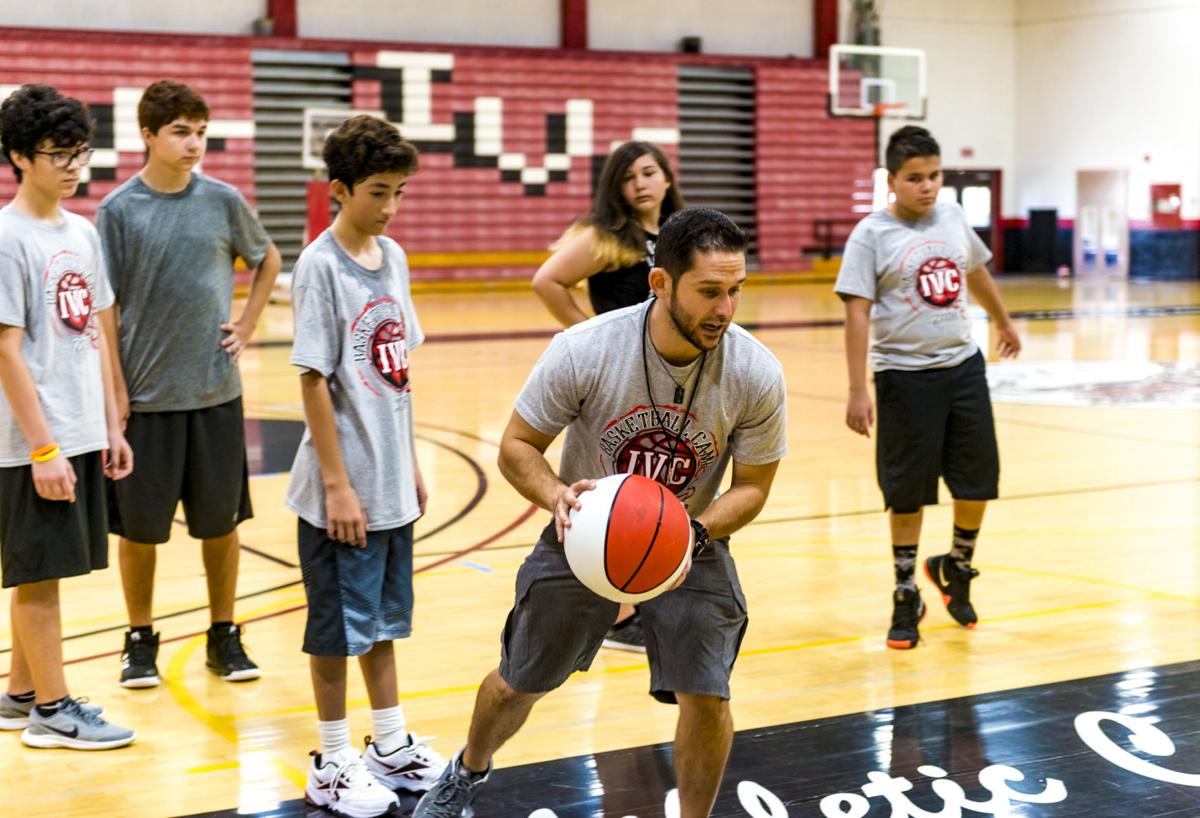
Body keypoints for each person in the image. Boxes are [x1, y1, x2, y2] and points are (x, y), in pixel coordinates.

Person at [414, 207, 787, 818]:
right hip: (583, 533)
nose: (725, 308)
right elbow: (516, 445)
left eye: (736, 290)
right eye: (710, 291)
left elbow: (752, 488)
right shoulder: (585, 349)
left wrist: (693, 531)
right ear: (660, 283)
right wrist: (555, 495)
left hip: (691, 540)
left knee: (707, 693)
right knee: (517, 683)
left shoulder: (756, 372)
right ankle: (467, 770)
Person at [96, 80, 282, 688]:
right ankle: (139, 636)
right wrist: (114, 391)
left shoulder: (223, 200)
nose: (194, 142)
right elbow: (104, 309)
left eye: (200, 131)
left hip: (215, 396)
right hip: (146, 402)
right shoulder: (118, 212)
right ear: (147, 135)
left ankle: (223, 634)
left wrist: (249, 323)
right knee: (139, 531)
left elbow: (268, 259)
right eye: (180, 131)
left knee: (221, 525)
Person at [286, 114, 447, 818]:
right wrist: (336, 484)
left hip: (388, 480)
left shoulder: (396, 257)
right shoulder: (320, 267)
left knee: (382, 623)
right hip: (340, 490)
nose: (389, 207)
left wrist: (407, 461)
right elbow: (315, 379)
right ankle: (330, 759)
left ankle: (387, 743)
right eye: (378, 192)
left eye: (399, 192)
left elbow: (398, 369)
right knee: (336, 627)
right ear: (340, 190)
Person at [834, 125, 1021, 651]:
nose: (928, 186)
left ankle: (957, 567)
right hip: (903, 376)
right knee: (907, 491)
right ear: (891, 181)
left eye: (935, 176)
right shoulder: (871, 235)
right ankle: (904, 591)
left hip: (962, 367)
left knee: (977, 480)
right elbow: (856, 313)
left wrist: (1004, 321)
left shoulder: (954, 218)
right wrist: (856, 389)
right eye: (915, 178)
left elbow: (978, 272)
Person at [0, 84, 136, 749]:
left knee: (47, 568)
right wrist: (44, 449)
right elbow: (5, 349)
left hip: (80, 429)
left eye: (78, 151)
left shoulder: (80, 231)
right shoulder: (6, 237)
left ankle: (22, 693)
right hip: (35, 441)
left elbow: (96, 332)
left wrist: (111, 421)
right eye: (57, 153)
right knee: (37, 573)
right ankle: (54, 713)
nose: (72, 165)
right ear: (20, 156)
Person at [531, 140, 685, 652]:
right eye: (628, 176)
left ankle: (641, 587)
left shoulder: (677, 234)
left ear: (666, 177)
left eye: (648, 172)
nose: (640, 184)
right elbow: (547, 280)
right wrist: (589, 332)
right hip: (619, 375)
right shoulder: (605, 237)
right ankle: (619, 615)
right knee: (613, 477)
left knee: (658, 478)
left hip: (668, 374)